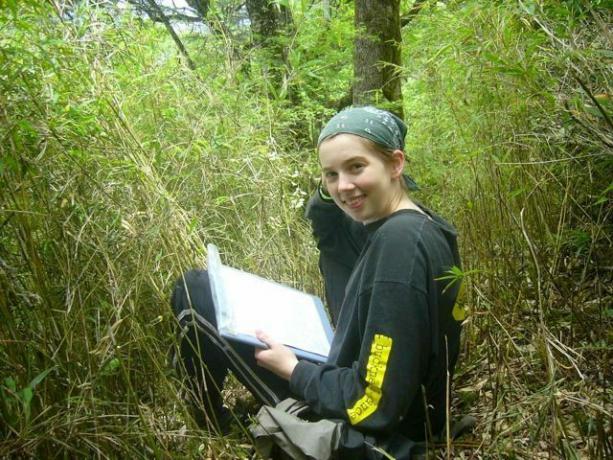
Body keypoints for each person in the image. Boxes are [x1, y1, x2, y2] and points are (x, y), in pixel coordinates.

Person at [171, 106, 463, 456]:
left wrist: (294, 370)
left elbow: (374, 404)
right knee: (204, 285)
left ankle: (208, 419)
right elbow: (327, 229)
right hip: (366, 385)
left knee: (195, 294)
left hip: (360, 428)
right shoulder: (417, 225)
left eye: (357, 167)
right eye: (330, 174)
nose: (343, 186)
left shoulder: (397, 249)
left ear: (396, 164)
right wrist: (341, 180)